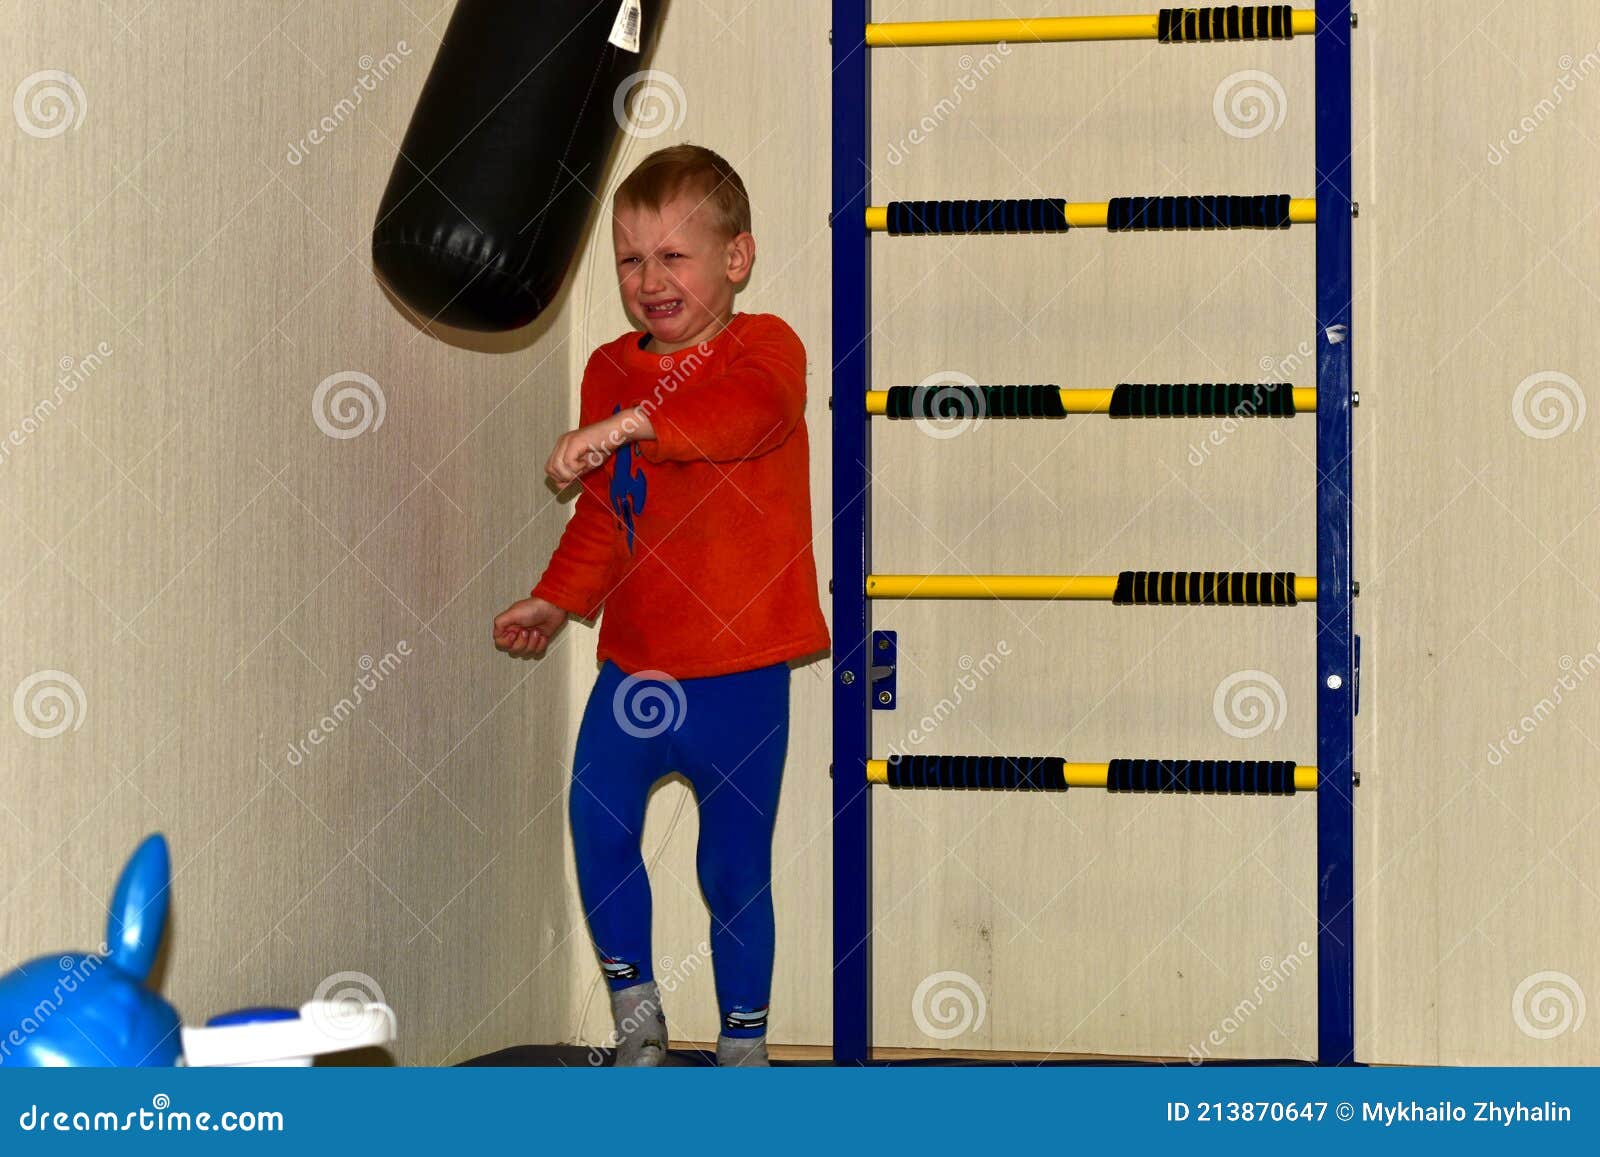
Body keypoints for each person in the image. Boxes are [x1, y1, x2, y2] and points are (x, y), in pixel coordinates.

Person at [492, 144, 830, 1067]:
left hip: (742, 670)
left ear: (737, 258)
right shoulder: (609, 368)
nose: (650, 280)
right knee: (597, 825)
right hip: (638, 666)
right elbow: (610, 510)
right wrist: (557, 601)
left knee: (731, 867)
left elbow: (745, 418)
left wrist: (634, 423)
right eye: (630, 260)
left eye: (673, 257)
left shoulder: (769, 348)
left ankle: (745, 1048)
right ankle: (637, 1022)